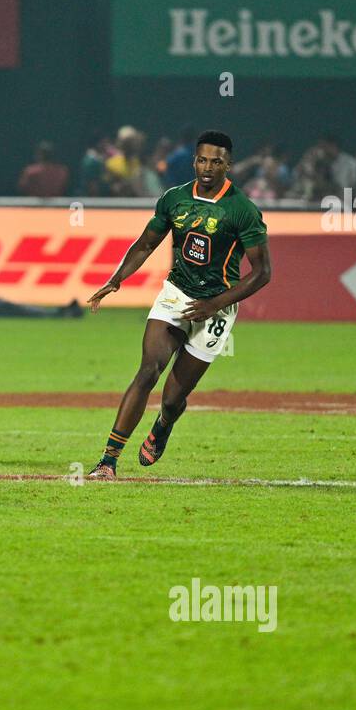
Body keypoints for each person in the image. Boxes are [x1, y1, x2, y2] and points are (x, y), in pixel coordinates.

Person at [84, 130, 272, 478]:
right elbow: (145, 244)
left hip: (218, 306)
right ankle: (108, 461)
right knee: (148, 371)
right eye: (202, 159)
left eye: (216, 161)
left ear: (228, 164)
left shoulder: (242, 210)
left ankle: (163, 425)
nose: (208, 167)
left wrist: (214, 304)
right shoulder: (175, 199)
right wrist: (115, 279)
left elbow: (262, 274)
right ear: (195, 160)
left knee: (172, 397)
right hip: (177, 294)